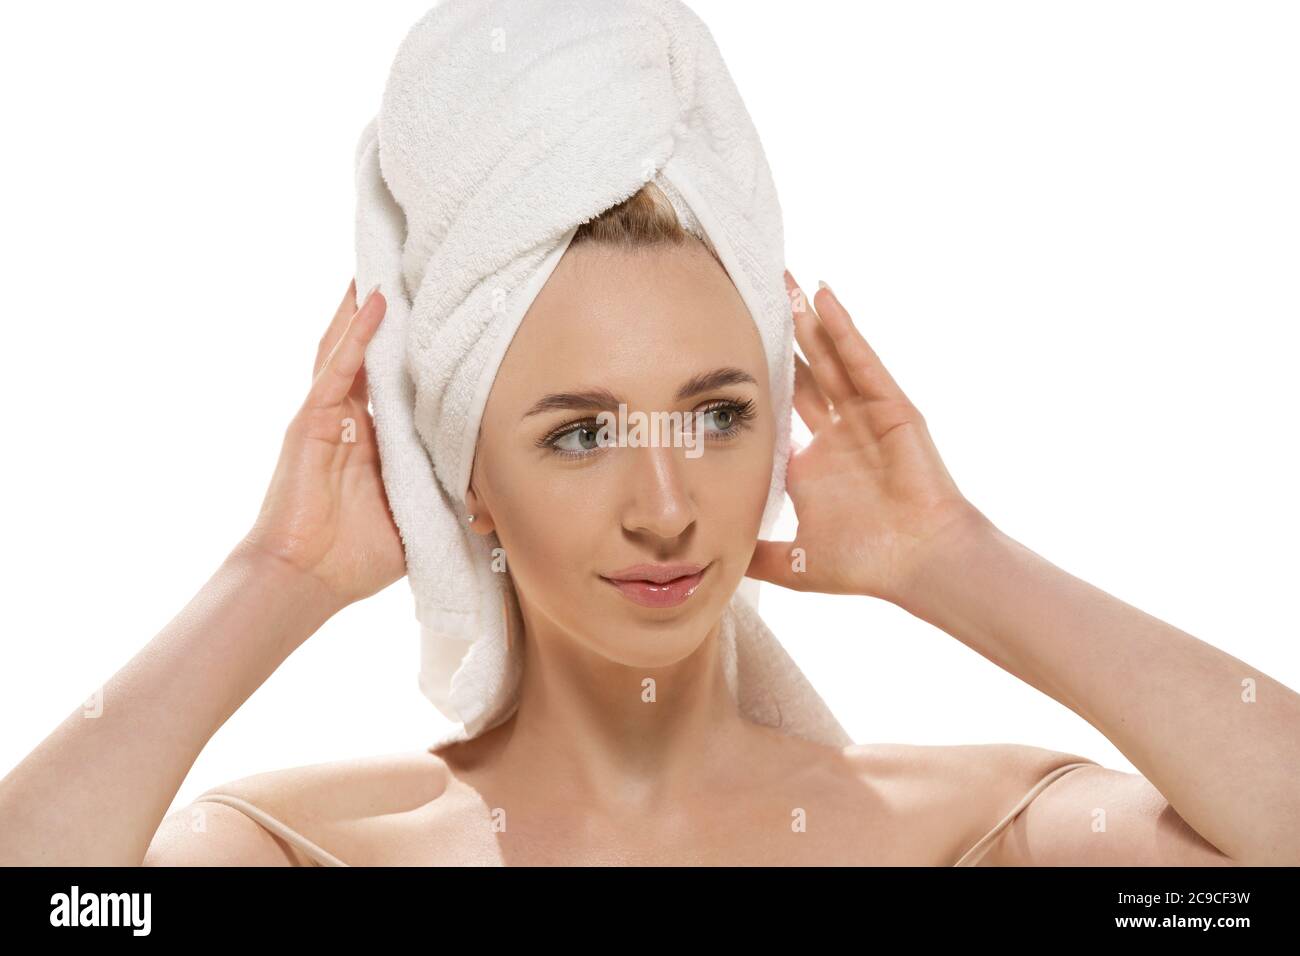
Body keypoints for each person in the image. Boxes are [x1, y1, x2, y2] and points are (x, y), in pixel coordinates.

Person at [1, 184, 1295, 866]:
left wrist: (957, 560)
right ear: (470, 487)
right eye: (580, 433)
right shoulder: (314, 849)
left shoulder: (962, 828)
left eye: (719, 417)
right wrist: (273, 575)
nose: (668, 509)